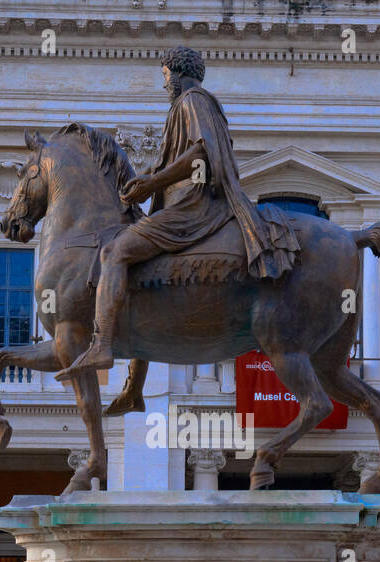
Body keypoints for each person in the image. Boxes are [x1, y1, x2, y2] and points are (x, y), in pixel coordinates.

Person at [55, 45, 299, 381]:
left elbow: (201, 154)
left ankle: (102, 344)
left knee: (115, 253)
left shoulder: (192, 101)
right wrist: (148, 184)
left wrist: (151, 183)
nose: (164, 85)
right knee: (142, 269)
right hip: (187, 203)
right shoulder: (192, 105)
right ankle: (134, 385)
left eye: (166, 76)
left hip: (193, 206)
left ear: (180, 74)